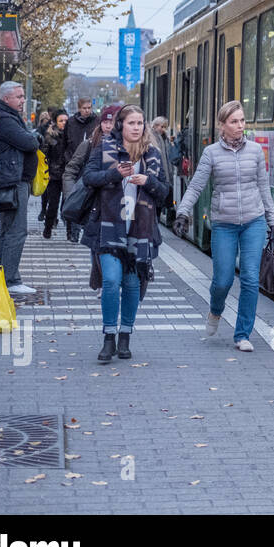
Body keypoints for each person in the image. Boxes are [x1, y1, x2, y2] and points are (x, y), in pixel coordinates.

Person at [172, 100, 274, 352]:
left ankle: (242, 334)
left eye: (242, 121)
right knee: (222, 280)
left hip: (253, 221)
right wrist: (183, 212)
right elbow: (197, 185)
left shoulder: (254, 152)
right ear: (222, 125)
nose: (240, 126)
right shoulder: (211, 153)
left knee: (251, 279)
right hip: (224, 224)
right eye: (234, 122)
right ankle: (215, 311)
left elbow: (264, 188)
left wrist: (272, 220)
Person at [82, 105, 168, 362]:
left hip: (139, 231)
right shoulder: (105, 149)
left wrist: (148, 181)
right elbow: (88, 177)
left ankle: (125, 336)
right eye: (131, 123)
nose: (136, 127)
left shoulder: (152, 154)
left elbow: (164, 191)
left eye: (140, 123)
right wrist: (113, 174)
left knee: (131, 285)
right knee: (110, 281)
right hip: (108, 229)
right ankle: (108, 337)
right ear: (121, 125)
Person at [0, 81, 39, 296]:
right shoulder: (4, 118)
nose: (22, 100)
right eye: (18, 97)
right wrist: (33, 137)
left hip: (14, 179)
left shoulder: (8, 117)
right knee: (16, 231)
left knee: (7, 229)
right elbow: (29, 143)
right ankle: (10, 279)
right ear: (6, 98)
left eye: (22, 96)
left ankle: (1, 275)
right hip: (14, 180)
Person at [63, 105, 122, 243]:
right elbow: (70, 170)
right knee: (96, 244)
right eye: (105, 122)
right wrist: (71, 194)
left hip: (114, 205)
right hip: (90, 200)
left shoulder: (126, 147)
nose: (108, 126)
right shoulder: (90, 144)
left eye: (111, 122)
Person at [40, 110, 70, 238]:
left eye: (66, 120)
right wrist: (48, 172)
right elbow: (44, 155)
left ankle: (70, 232)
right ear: (56, 122)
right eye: (61, 121)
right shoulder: (50, 135)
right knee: (53, 203)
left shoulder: (71, 136)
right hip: (54, 173)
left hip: (69, 173)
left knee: (69, 203)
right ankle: (48, 227)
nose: (64, 123)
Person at [151, 116, 178, 225]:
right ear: (155, 126)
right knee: (157, 203)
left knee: (162, 201)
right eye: (161, 126)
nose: (163, 129)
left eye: (164, 127)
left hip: (165, 175)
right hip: (159, 175)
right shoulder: (153, 138)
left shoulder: (165, 138)